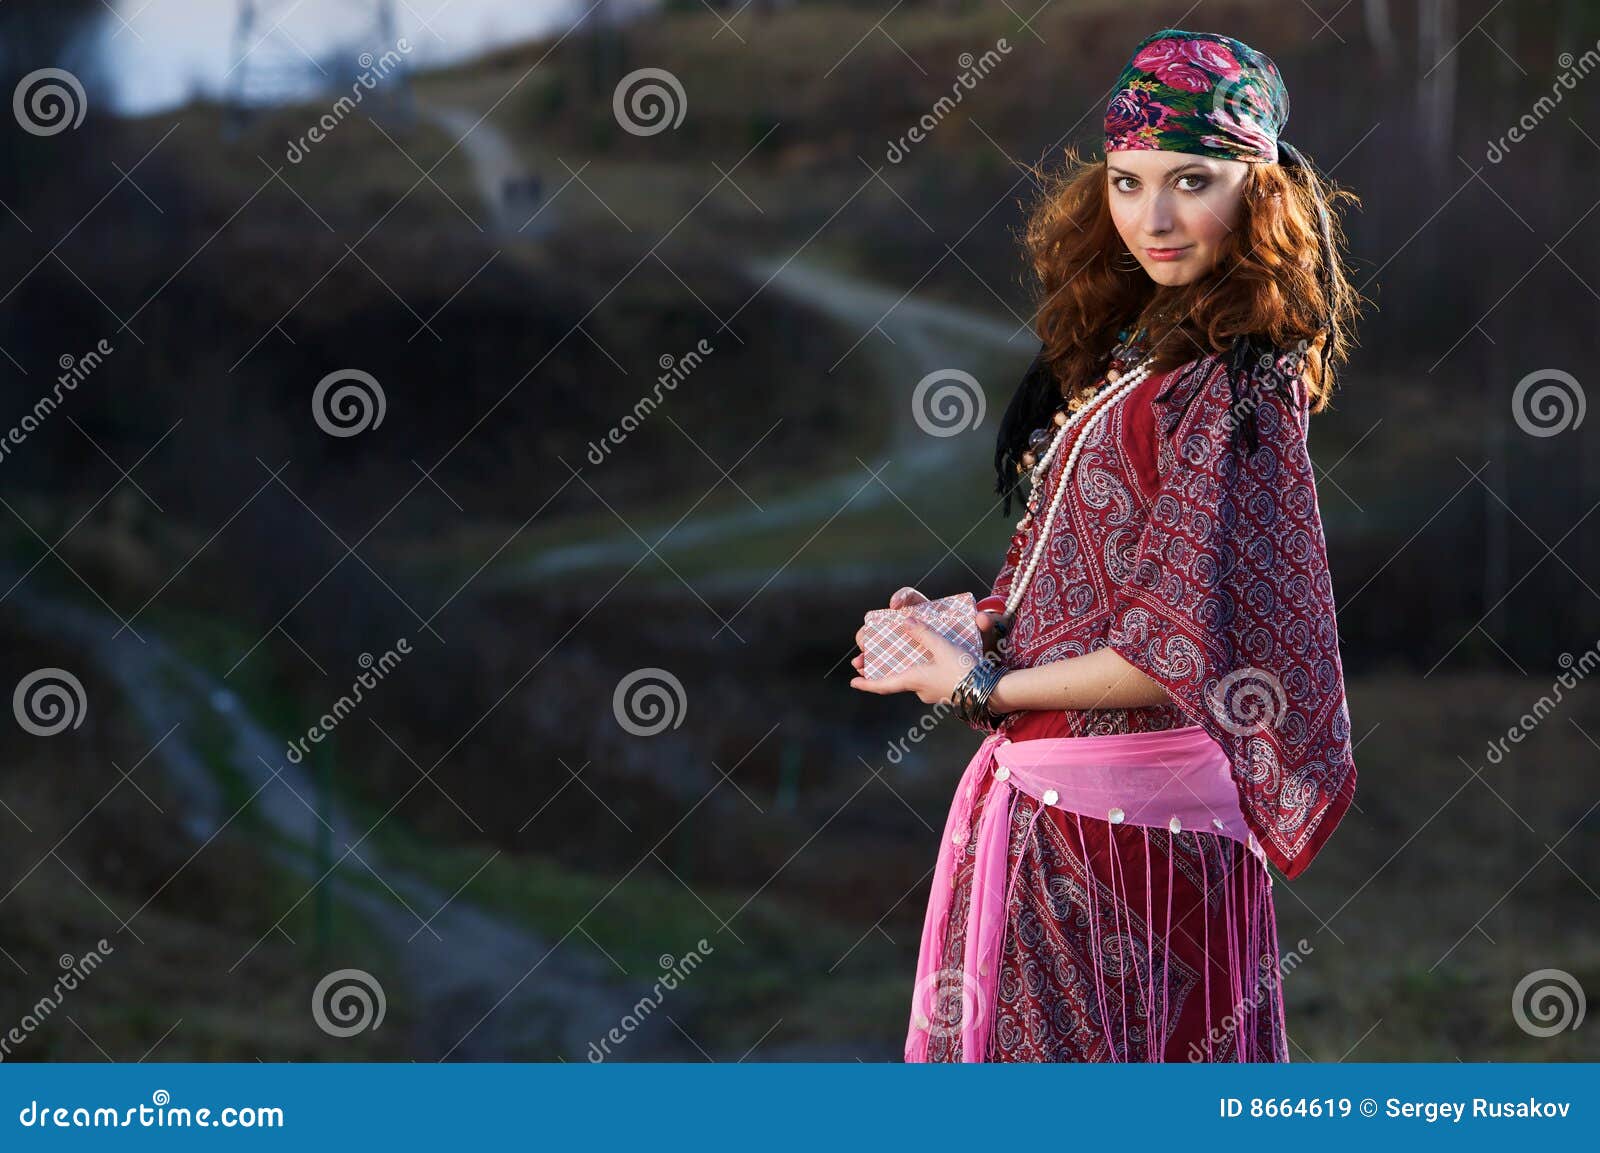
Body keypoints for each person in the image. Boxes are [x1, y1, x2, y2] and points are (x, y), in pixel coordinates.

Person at [850, 27, 1365, 1062]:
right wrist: (971, 622)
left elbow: (1163, 653)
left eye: (1192, 179)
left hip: (1126, 840)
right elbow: (1097, 578)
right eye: (1127, 183)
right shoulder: (1151, 352)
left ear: (1260, 192)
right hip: (1072, 818)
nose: (1155, 216)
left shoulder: (1236, 381)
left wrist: (978, 684)